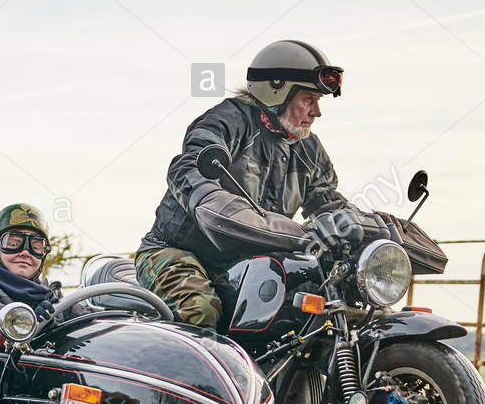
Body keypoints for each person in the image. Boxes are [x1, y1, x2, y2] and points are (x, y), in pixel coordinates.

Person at [135, 39, 354, 329]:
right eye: (308, 100)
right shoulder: (229, 121)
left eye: (318, 102)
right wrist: (209, 201)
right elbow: (190, 165)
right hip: (176, 252)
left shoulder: (308, 149)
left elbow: (326, 200)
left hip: (247, 264)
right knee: (201, 310)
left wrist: (357, 226)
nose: (317, 112)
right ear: (277, 90)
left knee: (304, 318)